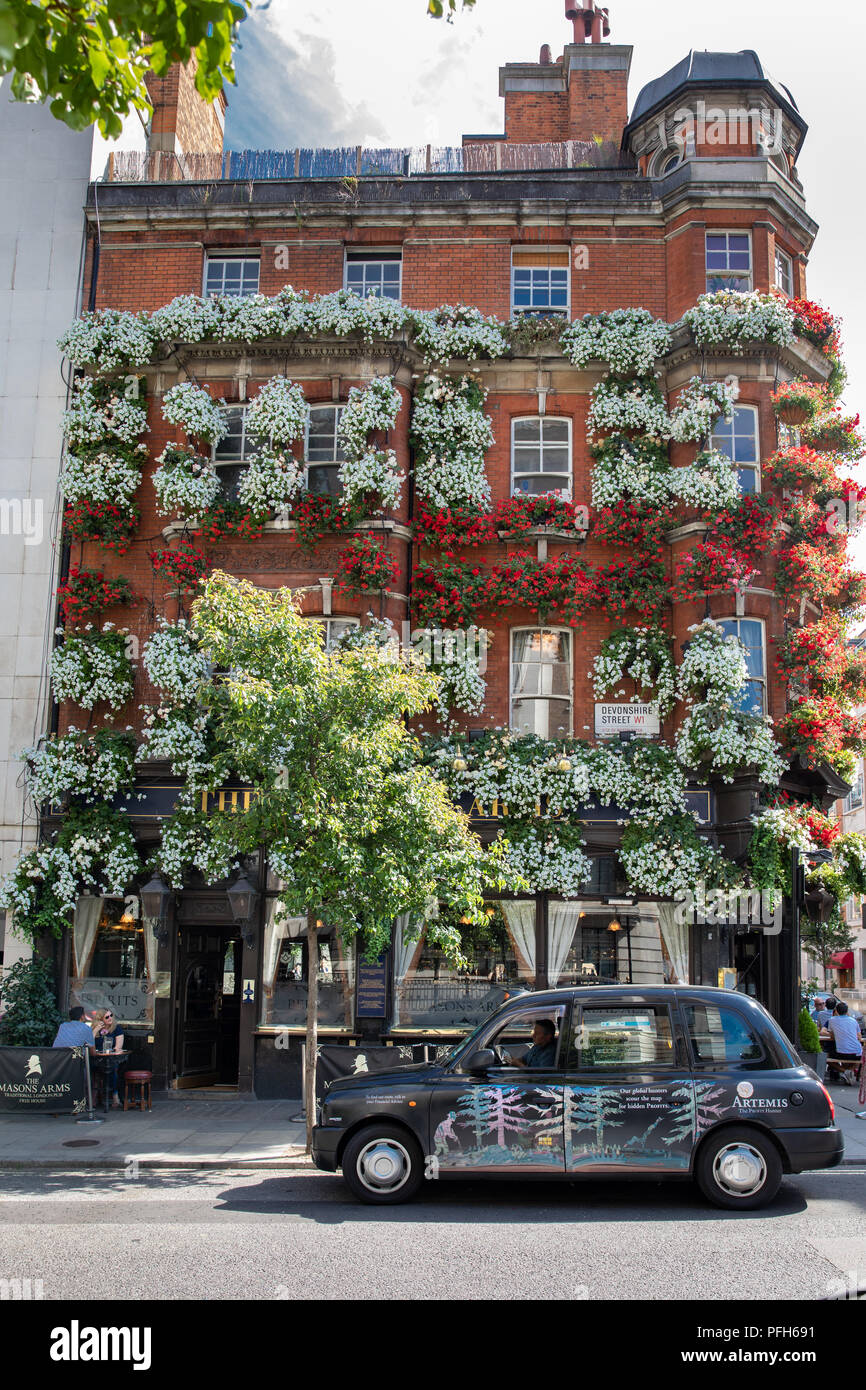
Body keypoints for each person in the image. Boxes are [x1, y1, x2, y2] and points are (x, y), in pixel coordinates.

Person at [91, 1009, 125, 1107]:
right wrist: (96, 1030)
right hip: (96, 1059)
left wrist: (112, 1051)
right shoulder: (95, 1029)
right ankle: (94, 1098)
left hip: (111, 1058)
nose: (110, 1018)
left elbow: (118, 1047)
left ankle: (114, 1095)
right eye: (107, 1017)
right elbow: (88, 1043)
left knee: (111, 1068)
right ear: (100, 1019)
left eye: (111, 1015)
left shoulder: (116, 1028)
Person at [826, 1002, 863, 1083]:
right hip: (857, 1053)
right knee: (858, 1056)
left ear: (837, 1011)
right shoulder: (853, 1021)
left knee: (826, 1058)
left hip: (841, 1053)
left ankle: (845, 1071)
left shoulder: (832, 1020)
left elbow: (832, 1036)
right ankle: (849, 1071)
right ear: (847, 1011)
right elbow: (859, 1037)